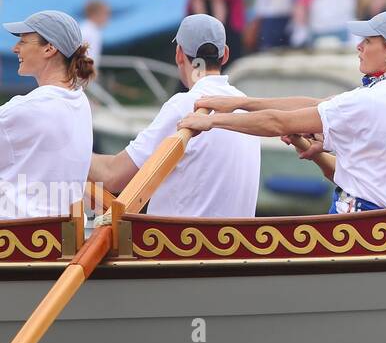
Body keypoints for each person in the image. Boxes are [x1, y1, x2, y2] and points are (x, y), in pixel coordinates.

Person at [180, 10, 386, 214]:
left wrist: (213, 122)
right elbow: (317, 103)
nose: (359, 47)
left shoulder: (372, 99)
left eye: (367, 41)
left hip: (362, 223)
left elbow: (279, 123)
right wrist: (241, 104)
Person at [87, 15, 260, 218]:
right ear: (225, 55)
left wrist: (70, 154)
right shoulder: (245, 105)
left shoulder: (184, 104)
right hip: (236, 246)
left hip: (179, 246)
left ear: (179, 54)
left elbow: (113, 176)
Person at [0, 11, 94, 219]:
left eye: (23, 42)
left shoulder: (27, 109)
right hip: (64, 233)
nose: (15, 48)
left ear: (49, 48)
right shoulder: (80, 101)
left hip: (18, 237)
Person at [80, 0, 110, 66]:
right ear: (96, 14)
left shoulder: (93, 31)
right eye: (106, 14)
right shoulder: (87, 32)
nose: (107, 18)